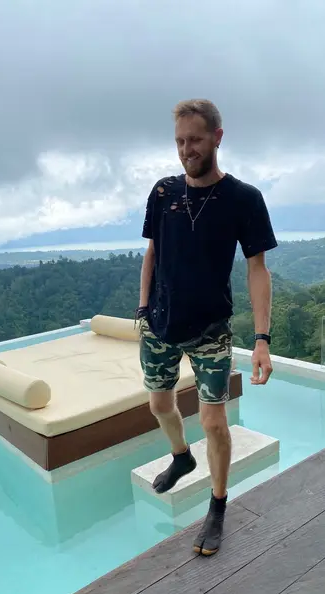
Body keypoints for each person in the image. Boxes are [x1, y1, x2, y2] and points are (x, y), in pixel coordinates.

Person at [136, 98, 278, 556]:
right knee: (159, 405)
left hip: (211, 330)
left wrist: (262, 340)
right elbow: (152, 253)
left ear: (217, 137)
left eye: (194, 140)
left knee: (214, 422)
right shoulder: (163, 192)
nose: (186, 150)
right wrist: (143, 309)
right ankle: (181, 456)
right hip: (159, 325)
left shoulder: (243, 199)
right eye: (179, 141)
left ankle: (217, 505)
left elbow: (257, 269)